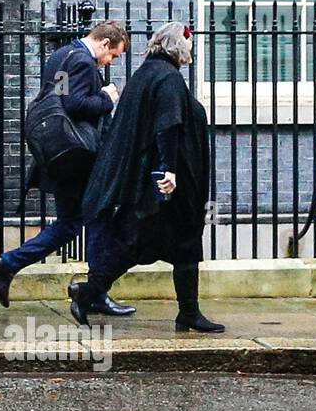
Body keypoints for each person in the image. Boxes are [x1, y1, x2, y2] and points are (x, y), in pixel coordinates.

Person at [72, 21, 224, 332]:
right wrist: (169, 169)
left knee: (143, 243)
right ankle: (185, 312)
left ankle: (91, 292)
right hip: (171, 182)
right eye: (188, 46)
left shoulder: (146, 74)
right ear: (177, 47)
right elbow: (168, 125)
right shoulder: (167, 78)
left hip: (152, 180)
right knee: (176, 241)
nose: (190, 52)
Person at [0, 21, 134, 317]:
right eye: (113, 55)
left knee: (70, 224)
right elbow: (74, 104)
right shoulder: (82, 62)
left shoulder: (62, 55)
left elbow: (60, 99)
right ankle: (95, 294)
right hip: (78, 159)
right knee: (98, 219)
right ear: (105, 43)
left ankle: (10, 264)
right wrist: (107, 98)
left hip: (62, 158)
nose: (110, 62)